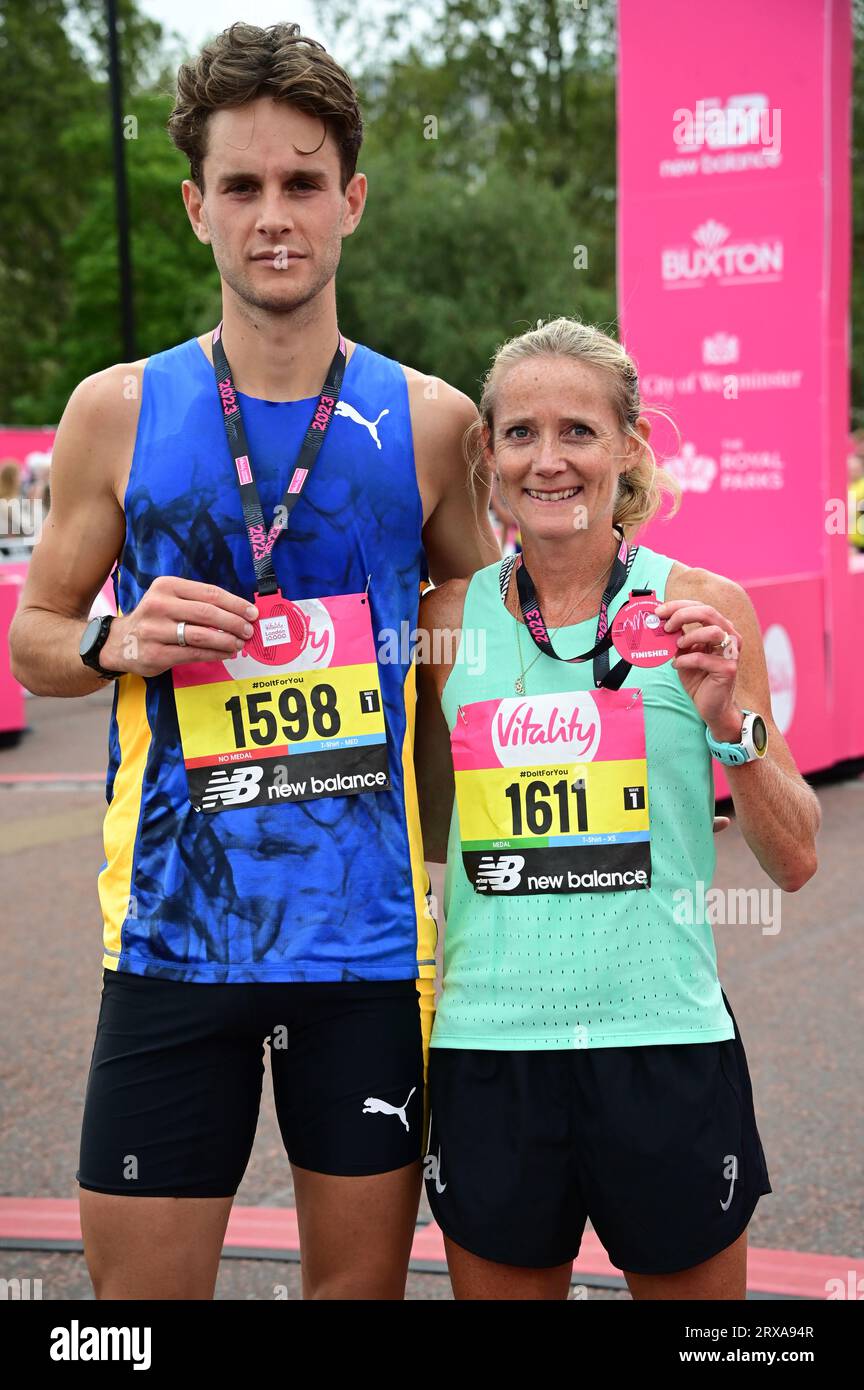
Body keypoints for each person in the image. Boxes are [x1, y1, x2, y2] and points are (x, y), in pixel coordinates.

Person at [9, 22, 498, 1301]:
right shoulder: (117, 410)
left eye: (299, 182)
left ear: (352, 198)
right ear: (194, 207)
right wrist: (115, 639)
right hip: (173, 937)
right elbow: (37, 637)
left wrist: (451, 617)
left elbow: (481, 600)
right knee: (133, 1322)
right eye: (241, 186)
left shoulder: (435, 421)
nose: (272, 216)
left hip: (371, 951)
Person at [414, 317, 820, 1300]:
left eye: (579, 432)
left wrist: (731, 724)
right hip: (491, 1045)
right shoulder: (444, 620)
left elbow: (796, 855)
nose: (548, 460)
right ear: (491, 455)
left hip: (663, 1041)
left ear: (629, 446)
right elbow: (424, 818)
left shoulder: (702, 606)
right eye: (520, 434)